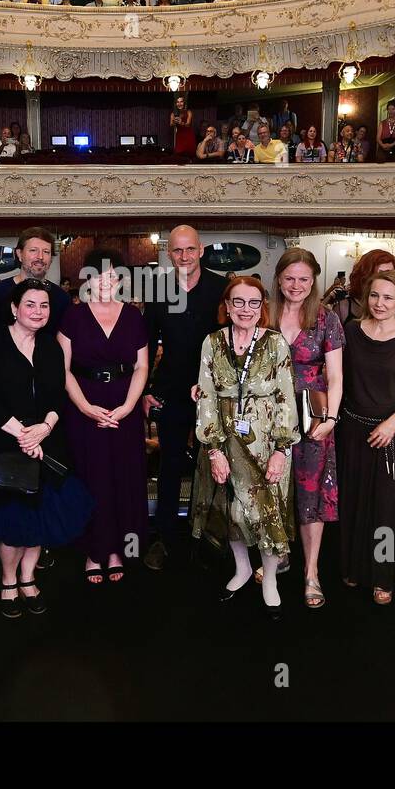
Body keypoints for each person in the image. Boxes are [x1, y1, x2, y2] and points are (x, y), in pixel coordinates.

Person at [0, 281, 92, 614]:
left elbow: (58, 395)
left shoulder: (50, 347)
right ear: (15, 308)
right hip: (4, 444)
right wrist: (23, 434)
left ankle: (29, 578)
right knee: (11, 525)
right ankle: (7, 580)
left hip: (47, 443)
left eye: (44, 306)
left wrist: (44, 428)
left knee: (39, 520)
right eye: (30, 305)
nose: (37, 312)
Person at [192, 276, 298, 619]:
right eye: (238, 302)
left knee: (267, 513)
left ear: (262, 307)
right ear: (227, 306)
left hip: (267, 443)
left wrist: (283, 449)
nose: (246, 310)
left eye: (254, 303)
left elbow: (286, 398)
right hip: (223, 440)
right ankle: (240, 569)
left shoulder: (276, 343)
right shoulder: (211, 342)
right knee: (231, 510)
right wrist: (213, 449)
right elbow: (206, 394)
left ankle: (269, 579)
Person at [59, 250, 150, 585]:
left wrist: (128, 407)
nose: (106, 282)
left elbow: (142, 366)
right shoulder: (73, 316)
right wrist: (84, 406)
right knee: (90, 475)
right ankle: (93, 550)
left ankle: (117, 550)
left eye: (113, 276)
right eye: (99, 276)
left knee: (123, 476)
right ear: (87, 279)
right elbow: (63, 368)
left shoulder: (134, 315)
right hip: (84, 405)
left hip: (124, 405)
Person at [338, 269, 395, 604]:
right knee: (352, 500)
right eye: (374, 295)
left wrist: (394, 423)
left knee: (386, 506)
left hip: (391, 432)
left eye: (388, 297)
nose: (380, 303)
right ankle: (351, 567)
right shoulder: (350, 330)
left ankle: (382, 577)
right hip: (352, 429)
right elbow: (337, 378)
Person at [142, 225, 229, 570]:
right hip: (170, 393)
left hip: (215, 394)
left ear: (201, 250)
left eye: (189, 250)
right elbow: (146, 345)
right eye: (177, 251)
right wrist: (146, 390)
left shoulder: (222, 288)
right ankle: (164, 538)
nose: (183, 257)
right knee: (170, 466)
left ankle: (206, 536)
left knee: (212, 466)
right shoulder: (158, 289)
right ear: (169, 253)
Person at [273, 249, 344, 607]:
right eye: (289, 278)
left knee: (310, 494)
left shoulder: (325, 319)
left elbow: (335, 375)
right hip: (267, 417)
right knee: (272, 489)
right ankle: (279, 555)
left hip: (312, 418)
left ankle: (311, 571)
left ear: (313, 280)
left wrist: (331, 418)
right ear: (279, 279)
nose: (296, 285)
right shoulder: (264, 312)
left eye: (303, 279)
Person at [0, 227, 69, 334]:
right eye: (33, 250)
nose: (40, 257)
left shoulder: (62, 299)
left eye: (46, 252)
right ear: (19, 254)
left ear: (51, 259)